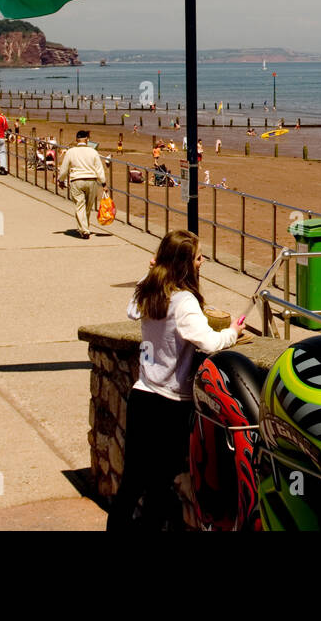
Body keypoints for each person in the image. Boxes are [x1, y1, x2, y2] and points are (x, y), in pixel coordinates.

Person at [106, 230, 241, 531]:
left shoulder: (149, 291)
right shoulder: (184, 302)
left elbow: (130, 309)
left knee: (131, 482)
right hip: (170, 406)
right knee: (159, 484)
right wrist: (233, 331)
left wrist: (150, 271)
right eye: (198, 257)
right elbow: (208, 342)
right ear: (184, 263)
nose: (202, 261)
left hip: (142, 397)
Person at [57, 130, 107, 238]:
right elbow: (99, 169)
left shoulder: (71, 151)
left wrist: (61, 180)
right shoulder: (93, 152)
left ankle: (84, 229)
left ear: (76, 140)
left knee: (80, 206)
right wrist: (104, 183)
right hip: (91, 180)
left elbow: (64, 168)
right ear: (87, 140)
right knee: (88, 207)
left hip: (77, 180)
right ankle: (85, 228)